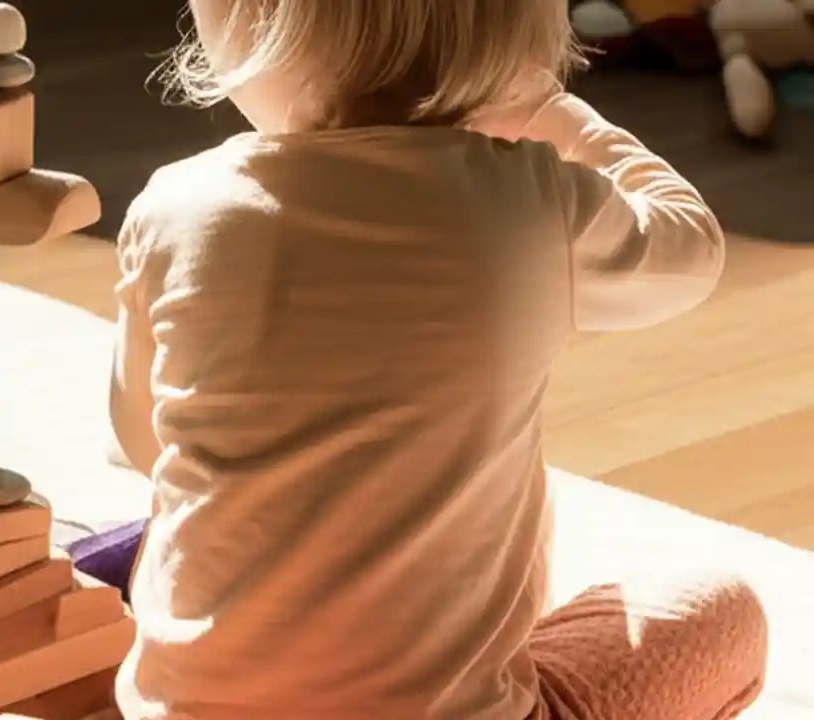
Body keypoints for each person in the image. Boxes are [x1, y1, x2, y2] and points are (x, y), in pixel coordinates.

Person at [106, 1, 769, 718]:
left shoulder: (173, 208)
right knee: (719, 610)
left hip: (187, 710)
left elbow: (142, 441)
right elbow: (690, 250)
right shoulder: (528, 201)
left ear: (241, 26)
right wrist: (558, 118)